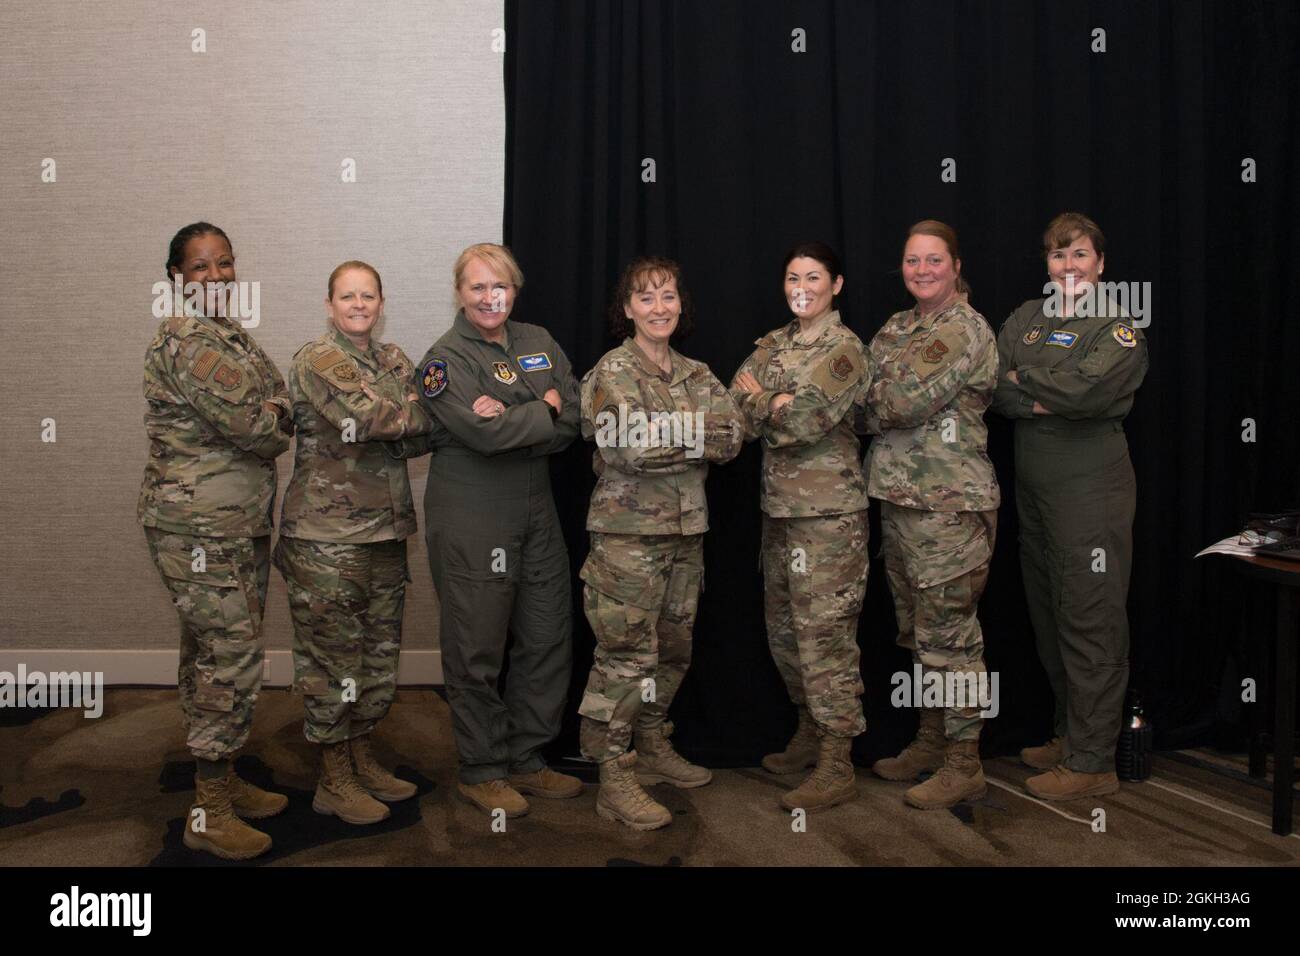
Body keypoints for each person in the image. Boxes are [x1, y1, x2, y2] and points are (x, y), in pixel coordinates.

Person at [413, 243, 583, 818]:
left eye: (501, 286)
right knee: (477, 643)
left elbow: (576, 418)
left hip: (537, 507)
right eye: (478, 287)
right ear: (460, 293)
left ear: (515, 290)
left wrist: (516, 416)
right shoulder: (443, 360)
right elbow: (481, 435)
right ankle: (483, 768)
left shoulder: (537, 341)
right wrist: (544, 409)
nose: (491, 298)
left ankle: (527, 756)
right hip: (473, 511)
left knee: (546, 632)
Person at [139, 222, 292, 859]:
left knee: (210, 650)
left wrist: (273, 410)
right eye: (201, 267)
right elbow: (261, 425)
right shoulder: (186, 340)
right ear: (176, 277)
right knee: (228, 657)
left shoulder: (230, 336)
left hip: (233, 524)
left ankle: (222, 777)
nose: (217, 276)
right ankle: (209, 810)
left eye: (225, 264)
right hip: (198, 526)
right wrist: (274, 413)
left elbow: (276, 403)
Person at [577, 257, 743, 830]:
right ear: (626, 309)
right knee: (624, 657)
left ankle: (651, 740)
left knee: (672, 650)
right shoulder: (610, 372)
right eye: (645, 298)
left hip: (685, 533)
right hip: (627, 538)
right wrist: (693, 431)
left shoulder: (695, 372)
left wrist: (670, 429)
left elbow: (732, 437)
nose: (658, 308)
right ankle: (613, 774)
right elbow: (627, 446)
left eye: (667, 296)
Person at [991, 212, 1148, 801]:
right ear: (1046, 263)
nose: (1068, 266)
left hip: (1090, 494)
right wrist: (1040, 392)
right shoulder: (1026, 319)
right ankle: (1069, 735)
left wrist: (1026, 381)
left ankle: (1093, 761)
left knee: (1090, 618)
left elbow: (1093, 392)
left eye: (1079, 255)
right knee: (1049, 617)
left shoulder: (1118, 327)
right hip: (1036, 495)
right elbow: (992, 387)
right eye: (1058, 256)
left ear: (1100, 264)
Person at [274, 260, 434, 825]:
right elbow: (371, 419)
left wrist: (411, 418)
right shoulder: (317, 359)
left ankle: (362, 755)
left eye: (368, 295)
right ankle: (333, 777)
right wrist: (411, 416)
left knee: (377, 655)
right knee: (331, 659)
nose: (358, 305)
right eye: (347, 296)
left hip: (386, 533)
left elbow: (424, 429)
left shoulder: (392, 360)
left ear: (381, 302)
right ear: (329, 304)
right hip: (327, 538)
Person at [731, 241, 873, 813]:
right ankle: (810, 731)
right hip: (780, 513)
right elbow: (730, 408)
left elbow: (809, 421)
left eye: (814, 277)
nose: (802, 286)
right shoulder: (773, 344)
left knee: (826, 638)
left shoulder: (845, 350)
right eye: (793, 276)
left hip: (829, 518)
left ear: (835, 285)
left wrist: (764, 400)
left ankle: (838, 760)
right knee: (785, 632)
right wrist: (776, 402)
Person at [864, 220, 1000, 810]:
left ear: (956, 264)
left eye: (934, 260)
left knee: (952, 639)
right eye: (912, 260)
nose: (922, 270)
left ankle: (964, 762)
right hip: (899, 501)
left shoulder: (964, 329)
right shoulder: (898, 326)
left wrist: (871, 395)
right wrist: (867, 397)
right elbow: (861, 398)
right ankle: (929, 741)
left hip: (950, 506)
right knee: (919, 635)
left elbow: (896, 401)